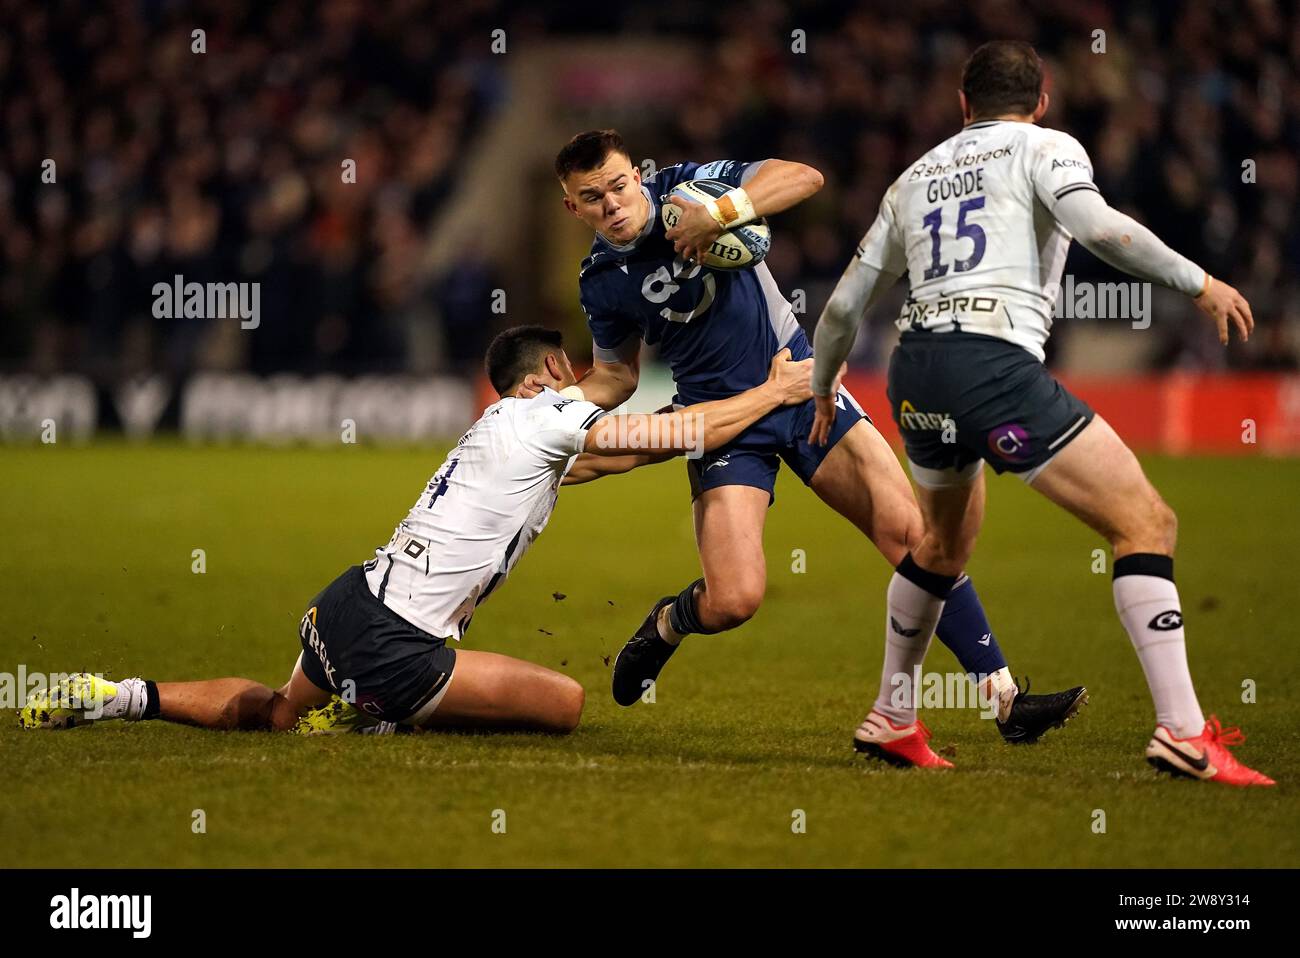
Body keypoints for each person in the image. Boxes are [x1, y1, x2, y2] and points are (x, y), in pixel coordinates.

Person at [808, 40, 1270, 785]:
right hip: (990, 363)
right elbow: (1098, 227)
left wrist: (824, 391)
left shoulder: (914, 175)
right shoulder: (1045, 146)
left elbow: (841, 309)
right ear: (1042, 101)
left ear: (964, 106)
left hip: (914, 369)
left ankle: (894, 716)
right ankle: (1185, 733)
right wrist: (1199, 281)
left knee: (940, 548)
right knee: (1146, 523)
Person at [544, 129, 1085, 763]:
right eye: (592, 197)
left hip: (801, 386)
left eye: (617, 185)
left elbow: (803, 176)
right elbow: (618, 375)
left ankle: (1005, 700)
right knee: (735, 599)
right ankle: (669, 622)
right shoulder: (600, 280)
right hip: (721, 421)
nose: (611, 204)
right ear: (572, 209)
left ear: (637, 174)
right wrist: (557, 412)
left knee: (913, 536)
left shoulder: (691, 187)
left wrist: (722, 213)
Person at [21, 326, 814, 737]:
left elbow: (626, 457)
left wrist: (710, 410)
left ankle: (125, 696)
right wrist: (774, 390)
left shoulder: (506, 432)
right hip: (399, 644)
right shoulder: (549, 414)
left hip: (348, 601)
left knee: (275, 713)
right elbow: (667, 437)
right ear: (543, 377)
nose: (583, 384)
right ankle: (379, 709)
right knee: (566, 707)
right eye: (570, 370)